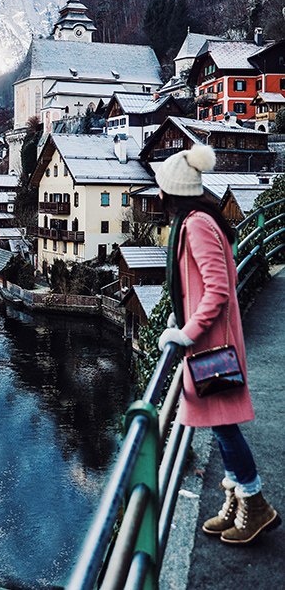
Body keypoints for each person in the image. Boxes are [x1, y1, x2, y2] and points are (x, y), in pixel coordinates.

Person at [155, 143, 280, 545]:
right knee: (222, 426)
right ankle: (237, 500)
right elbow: (202, 287)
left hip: (211, 349)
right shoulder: (201, 220)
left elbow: (218, 291)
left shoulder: (194, 226)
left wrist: (186, 332)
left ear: (168, 192)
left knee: (225, 429)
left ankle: (255, 502)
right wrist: (183, 316)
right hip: (210, 346)